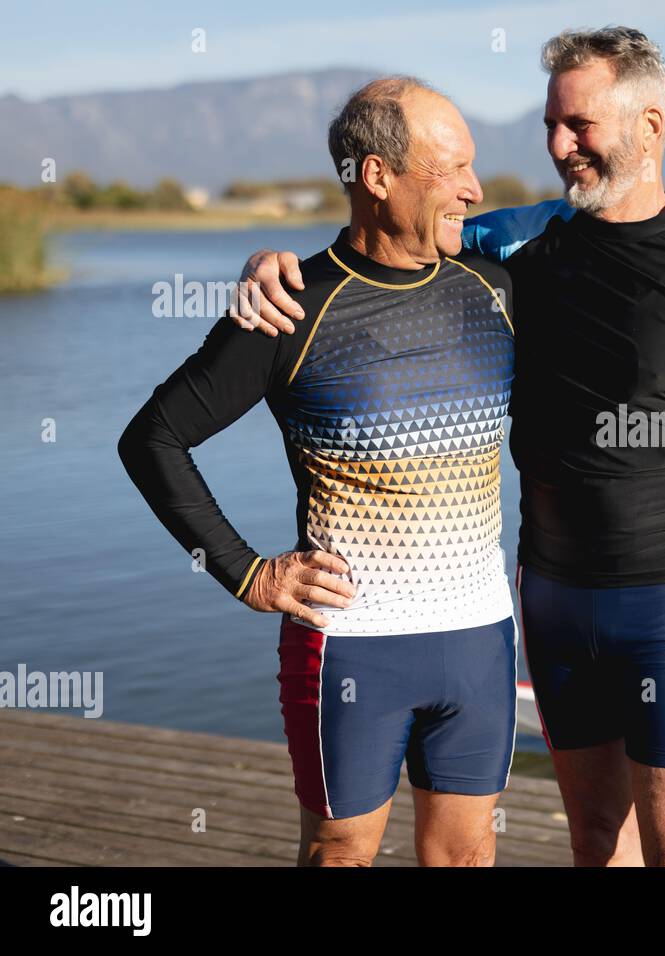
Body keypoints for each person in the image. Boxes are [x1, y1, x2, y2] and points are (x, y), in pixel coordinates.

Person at [235, 27, 665, 867]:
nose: (560, 147)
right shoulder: (514, 242)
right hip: (551, 594)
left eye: (581, 126)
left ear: (650, 123)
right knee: (596, 840)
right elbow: (387, 238)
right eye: (550, 125)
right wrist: (276, 265)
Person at [119, 77, 519, 866]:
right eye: (455, 170)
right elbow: (154, 438)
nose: (475, 190)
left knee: (468, 853)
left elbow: (600, 225)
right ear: (377, 176)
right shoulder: (291, 307)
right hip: (353, 646)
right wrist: (247, 575)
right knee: (339, 852)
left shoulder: (498, 288)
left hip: (480, 636)